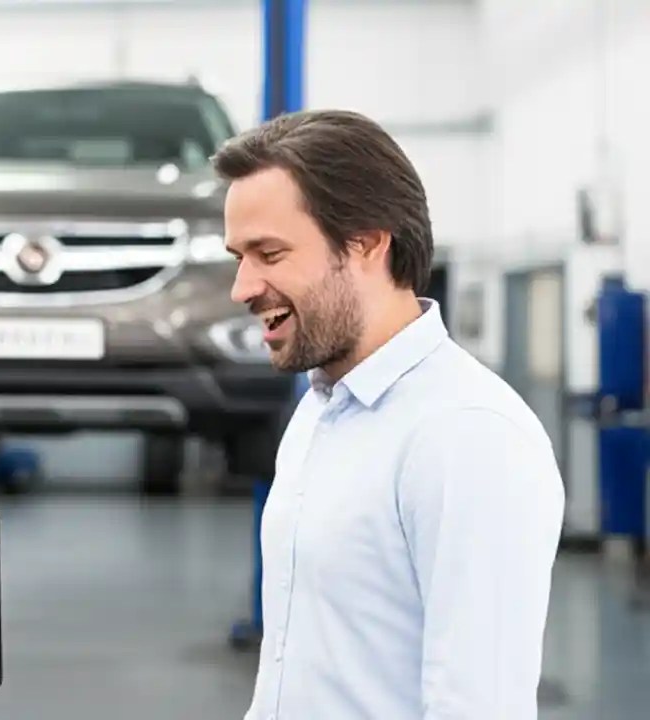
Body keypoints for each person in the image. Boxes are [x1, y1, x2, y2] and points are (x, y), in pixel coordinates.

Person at [213, 110, 565, 719]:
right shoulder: (321, 409)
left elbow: (478, 706)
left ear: (369, 241)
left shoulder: (466, 435)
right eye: (238, 257)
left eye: (269, 253)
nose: (242, 288)